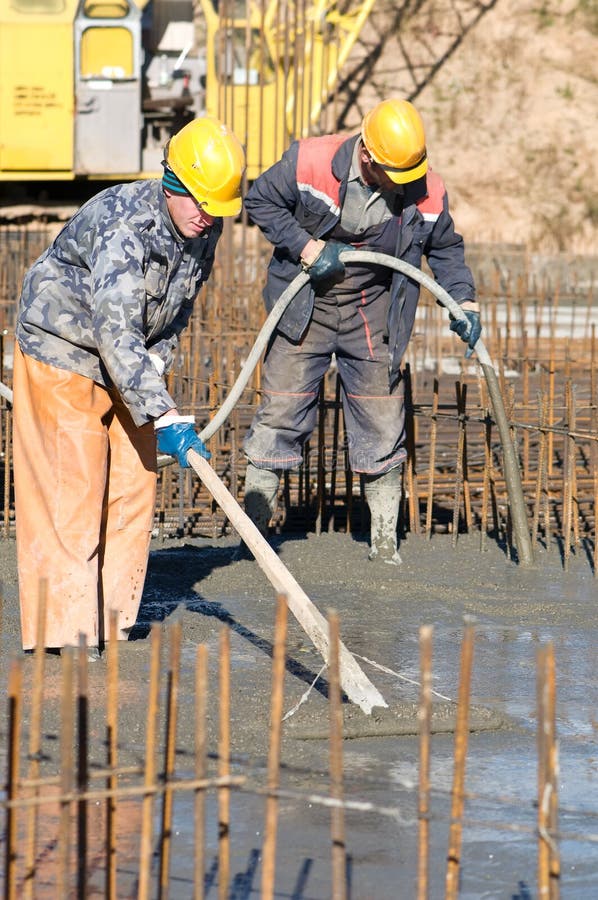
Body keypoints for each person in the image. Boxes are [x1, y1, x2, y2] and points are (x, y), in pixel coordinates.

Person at [13, 115, 245, 653]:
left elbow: (173, 314)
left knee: (133, 485)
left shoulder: (201, 227)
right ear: (174, 184)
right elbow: (114, 328)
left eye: (218, 209)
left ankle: (110, 622)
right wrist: (162, 414)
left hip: (129, 361)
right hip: (64, 347)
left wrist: (152, 389)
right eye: (202, 204)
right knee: (75, 487)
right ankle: (66, 634)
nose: (210, 219)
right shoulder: (127, 226)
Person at [240, 98, 479, 565]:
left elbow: (445, 248)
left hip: (372, 309)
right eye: (397, 173)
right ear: (367, 156)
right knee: (280, 413)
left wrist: (463, 298)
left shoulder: (425, 187)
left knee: (381, 418)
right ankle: (253, 539)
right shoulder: (310, 161)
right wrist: (307, 247)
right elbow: (260, 201)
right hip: (304, 300)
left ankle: (385, 543)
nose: (408, 184)